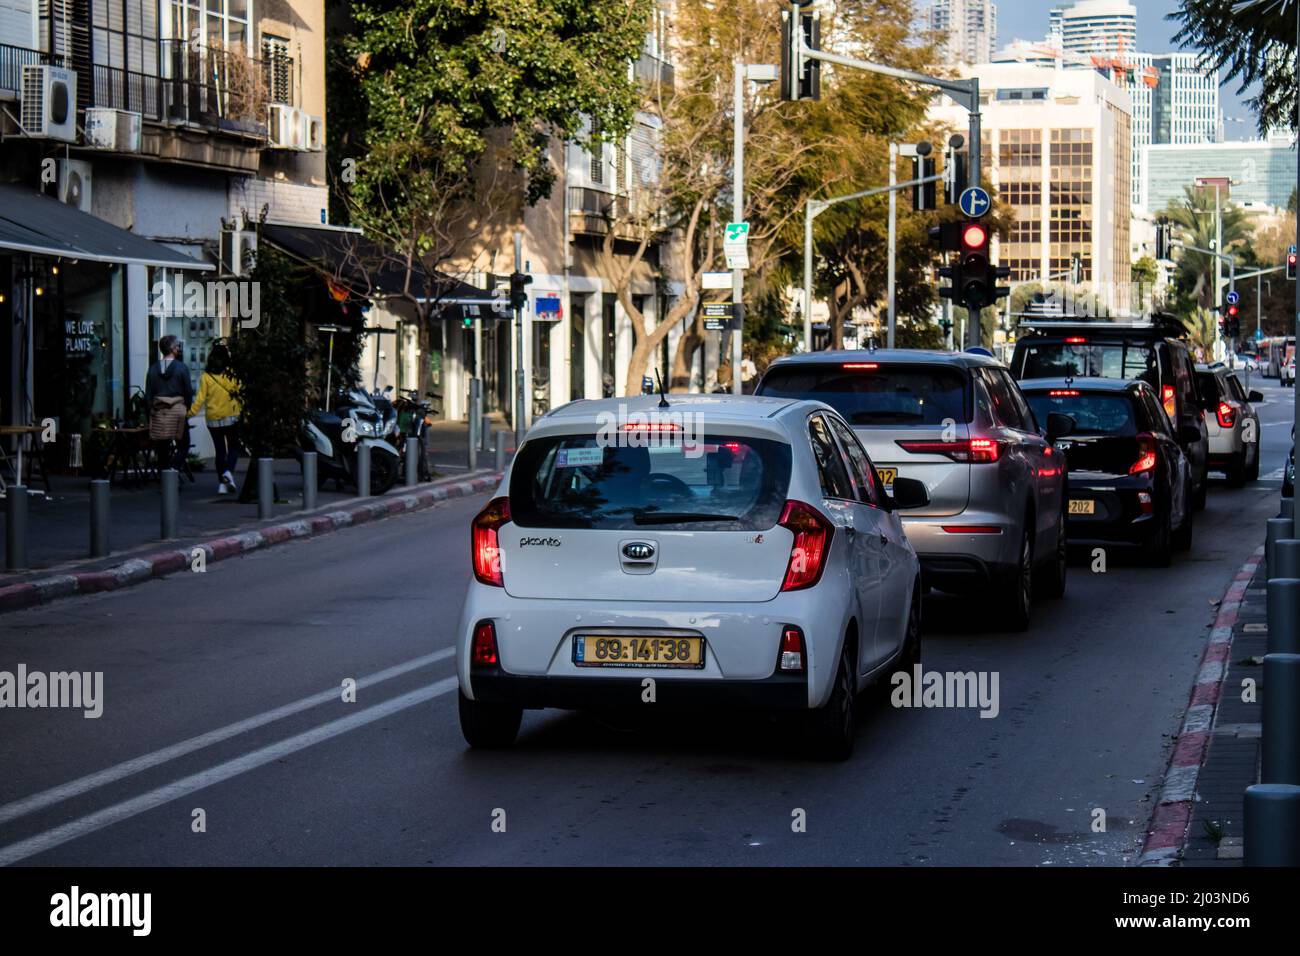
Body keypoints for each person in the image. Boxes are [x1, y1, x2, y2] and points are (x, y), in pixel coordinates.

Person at [189, 342, 242, 494]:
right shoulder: (231, 373)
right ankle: (228, 473)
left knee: (220, 451)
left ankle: (222, 484)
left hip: (213, 418)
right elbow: (240, 393)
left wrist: (190, 413)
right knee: (233, 447)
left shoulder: (206, 376)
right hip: (231, 415)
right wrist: (246, 412)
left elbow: (199, 399)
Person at [145, 335, 193, 474]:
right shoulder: (182, 368)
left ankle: (165, 478)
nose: (179, 348)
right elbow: (188, 391)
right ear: (172, 348)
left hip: (159, 413)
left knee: (162, 449)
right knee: (184, 445)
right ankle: (174, 468)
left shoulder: (153, 369)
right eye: (177, 346)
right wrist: (187, 408)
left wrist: (150, 412)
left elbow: (148, 394)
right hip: (178, 412)